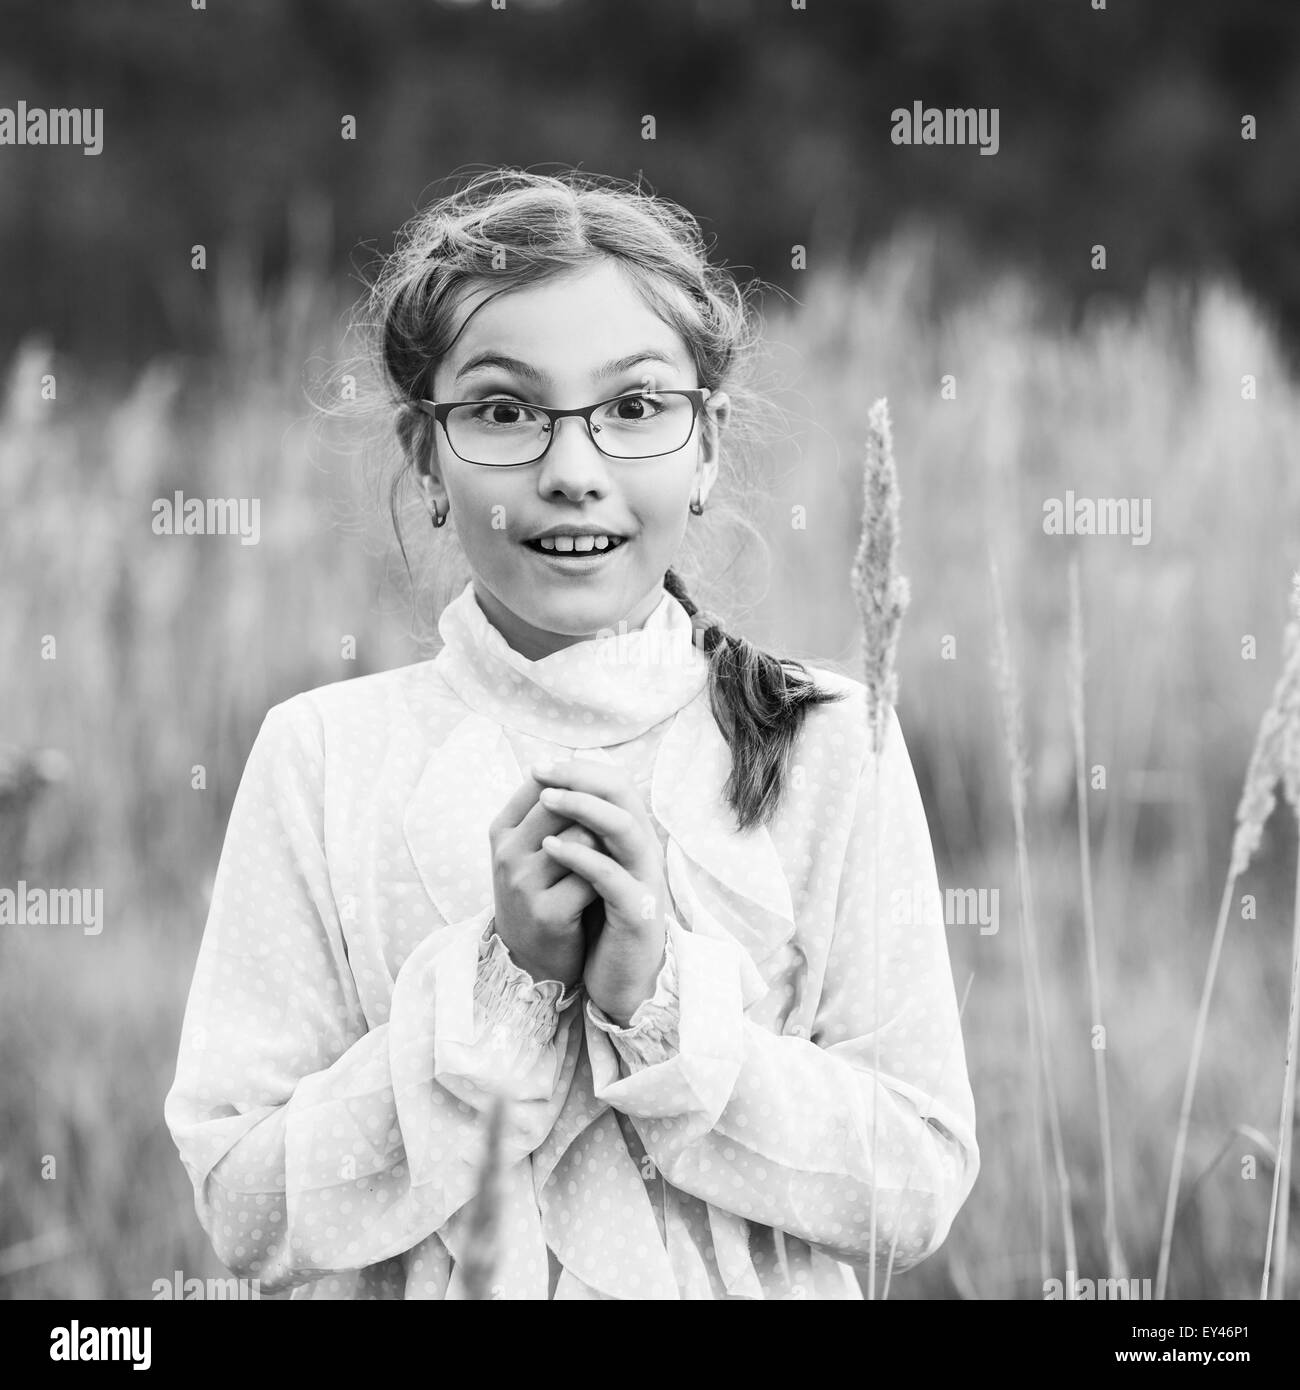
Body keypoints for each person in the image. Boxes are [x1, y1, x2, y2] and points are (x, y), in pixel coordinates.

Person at [164, 168, 978, 1300]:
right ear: (424, 454)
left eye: (634, 408)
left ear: (704, 445)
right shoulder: (321, 758)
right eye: (503, 411)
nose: (573, 472)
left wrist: (660, 1010)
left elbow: (915, 1187)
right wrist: (500, 990)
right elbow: (245, 1207)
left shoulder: (830, 743)